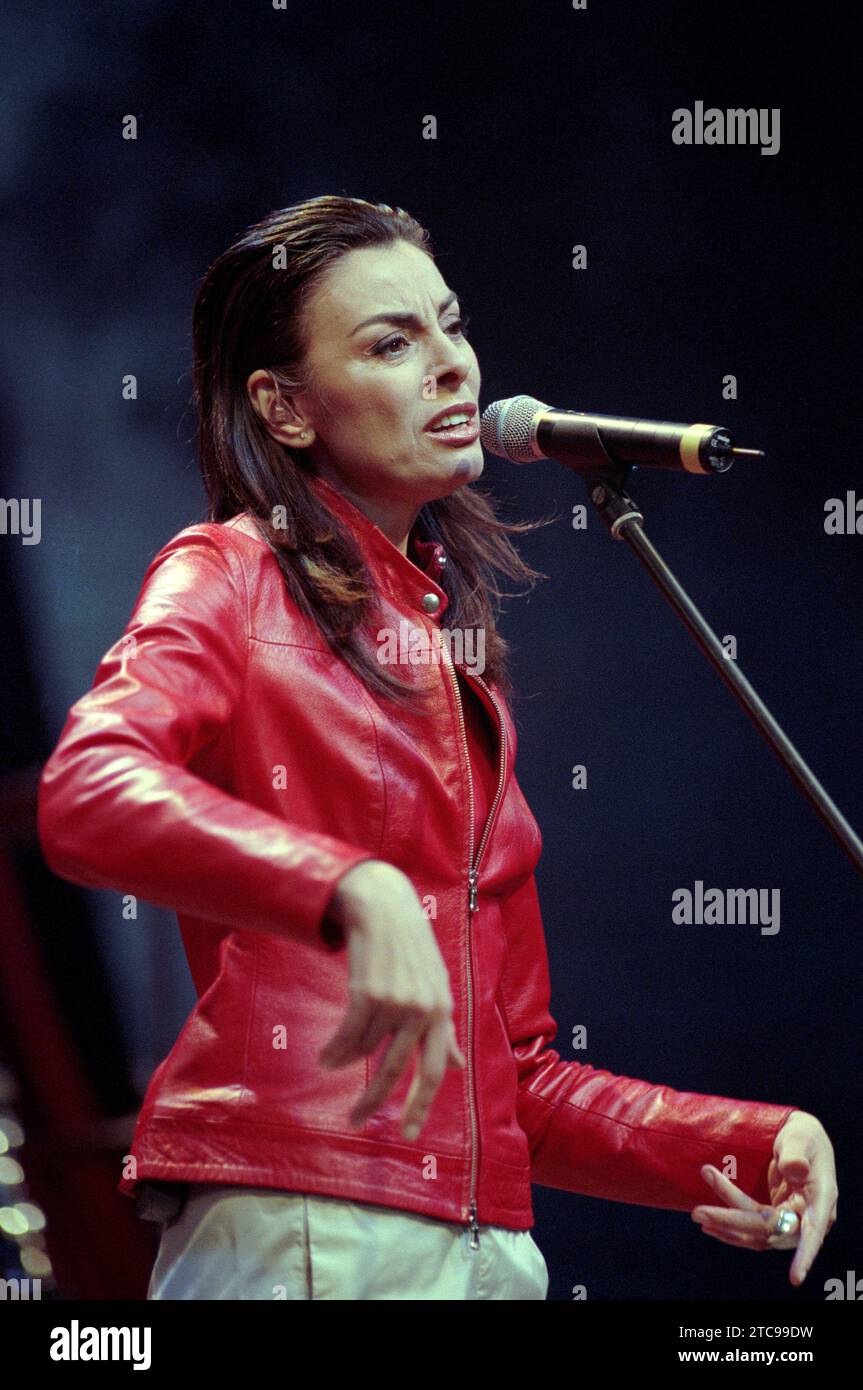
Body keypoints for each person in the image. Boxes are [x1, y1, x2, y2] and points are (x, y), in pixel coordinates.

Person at [37, 195, 837, 1301]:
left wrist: (755, 1137)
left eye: (449, 324)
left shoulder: (459, 676)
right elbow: (87, 792)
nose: (452, 365)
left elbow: (513, 1082)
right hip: (308, 1225)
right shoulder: (228, 571)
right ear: (283, 405)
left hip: (481, 1251)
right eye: (390, 342)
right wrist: (347, 884)